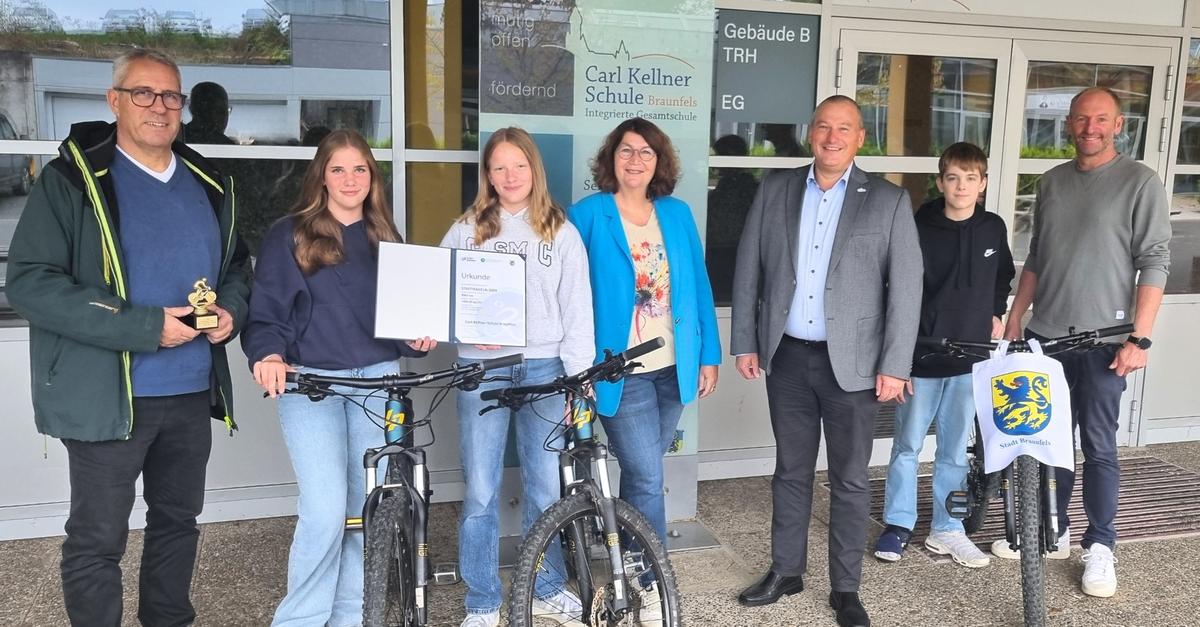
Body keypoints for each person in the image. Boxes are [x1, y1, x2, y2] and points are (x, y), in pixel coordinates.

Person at [5, 49, 251, 626]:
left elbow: (238, 266)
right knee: (98, 539)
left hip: (189, 392)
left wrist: (232, 311)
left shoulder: (209, 182)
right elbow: (31, 283)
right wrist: (144, 326)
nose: (159, 107)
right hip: (109, 395)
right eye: (143, 93)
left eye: (171, 96)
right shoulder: (73, 180)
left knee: (178, 524)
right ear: (114, 101)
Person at [730, 95, 922, 627]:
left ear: (860, 138)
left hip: (855, 367)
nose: (832, 137)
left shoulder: (887, 200)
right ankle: (786, 571)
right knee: (790, 472)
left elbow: (907, 290)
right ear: (810, 132)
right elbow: (749, 268)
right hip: (788, 358)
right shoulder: (775, 188)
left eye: (844, 129)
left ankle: (845, 589)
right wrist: (745, 341)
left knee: (850, 480)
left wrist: (895, 365)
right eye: (823, 126)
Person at [240, 129, 435, 626]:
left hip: (377, 381)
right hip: (312, 386)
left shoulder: (385, 238)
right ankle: (301, 620)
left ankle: (350, 616)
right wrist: (268, 354)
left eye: (360, 169)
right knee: (325, 510)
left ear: (373, 177)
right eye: (338, 169)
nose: (350, 179)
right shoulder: (289, 234)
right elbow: (265, 312)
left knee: (364, 511)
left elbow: (398, 320)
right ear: (321, 177)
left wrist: (415, 339)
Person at [998, 86, 1171, 598]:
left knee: (1098, 447)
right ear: (1069, 124)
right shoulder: (1052, 182)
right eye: (1080, 119)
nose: (1088, 128)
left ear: (1118, 125)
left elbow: (1155, 261)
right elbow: (1037, 257)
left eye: (1100, 119)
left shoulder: (1140, 182)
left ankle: (1100, 545)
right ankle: (1054, 530)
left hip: (1106, 343)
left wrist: (1140, 337)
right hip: (1046, 339)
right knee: (1048, 444)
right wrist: (1016, 316)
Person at [440, 127, 594, 627]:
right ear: (487, 174)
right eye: (499, 167)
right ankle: (482, 602)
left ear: (534, 170)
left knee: (545, 487)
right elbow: (440, 297)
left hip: (545, 368)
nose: (510, 176)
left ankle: (544, 589)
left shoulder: (560, 232)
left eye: (519, 166)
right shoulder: (466, 230)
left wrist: (580, 379)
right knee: (480, 490)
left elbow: (577, 310)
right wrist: (465, 330)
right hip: (482, 369)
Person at [569, 116, 722, 543]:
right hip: (621, 369)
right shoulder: (587, 215)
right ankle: (654, 570)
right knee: (648, 475)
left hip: (675, 365)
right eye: (626, 151)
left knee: (643, 472)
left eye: (645, 152)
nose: (635, 160)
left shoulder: (677, 213)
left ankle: (626, 552)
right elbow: (571, 294)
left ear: (659, 162)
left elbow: (699, 287)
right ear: (611, 158)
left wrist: (709, 355)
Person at [873, 142, 1014, 568]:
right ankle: (898, 524)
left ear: (983, 183)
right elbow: (898, 289)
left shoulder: (992, 227)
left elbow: (1002, 276)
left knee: (954, 451)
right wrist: (899, 358)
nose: (961, 187)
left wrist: (995, 311)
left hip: (971, 359)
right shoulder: (918, 227)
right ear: (940, 182)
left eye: (971, 179)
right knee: (907, 446)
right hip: (924, 355)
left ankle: (947, 529)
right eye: (953, 178)